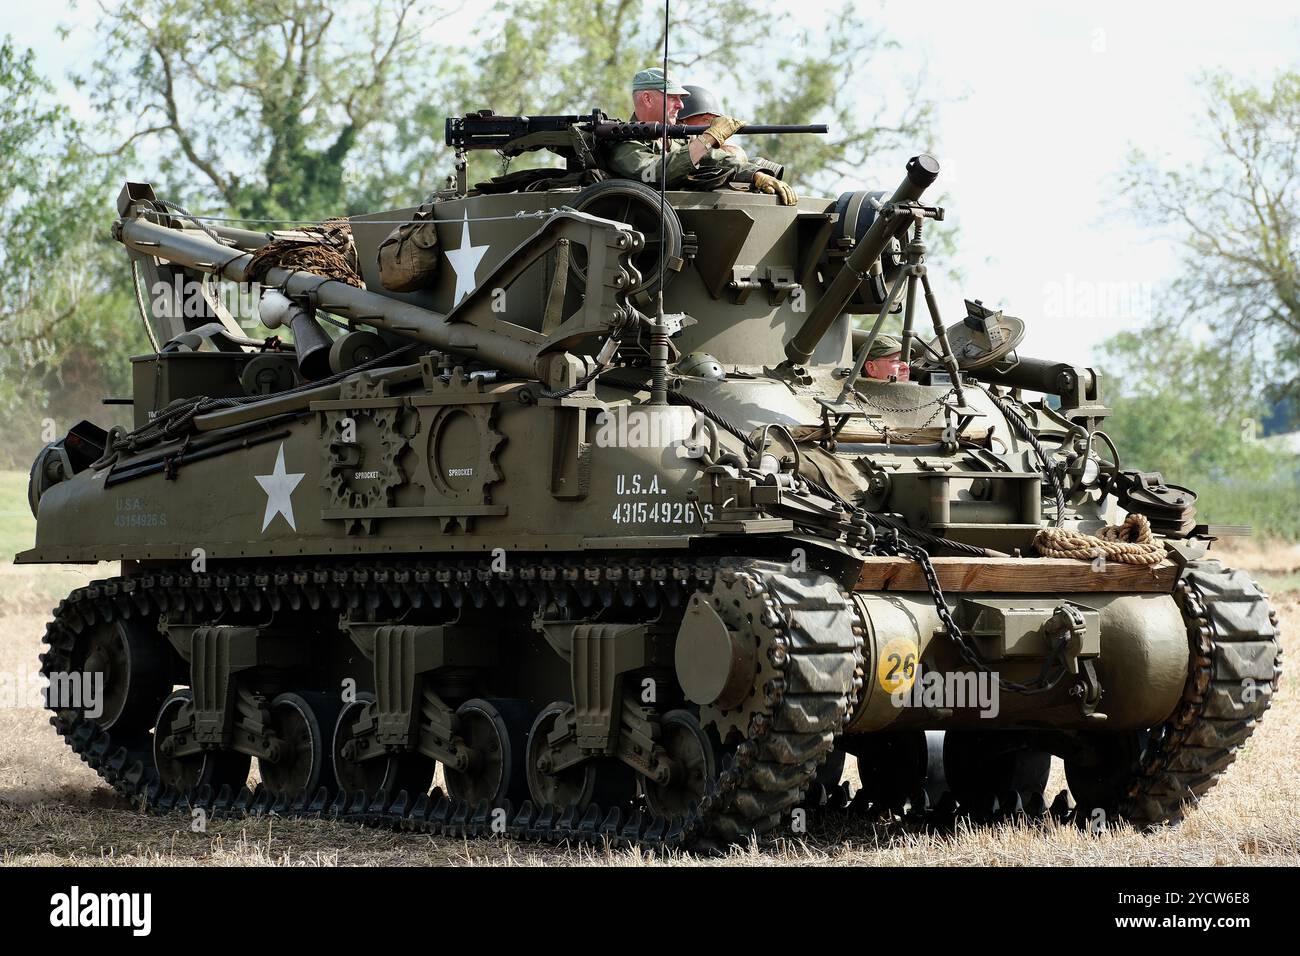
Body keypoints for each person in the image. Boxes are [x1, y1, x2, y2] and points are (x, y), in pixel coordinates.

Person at [603, 68, 797, 205]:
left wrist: (757, 175)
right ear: (647, 98)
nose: (680, 105)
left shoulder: (677, 139)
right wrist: (709, 138)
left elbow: (717, 161)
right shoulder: (623, 143)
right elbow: (656, 172)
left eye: (681, 99)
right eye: (673, 97)